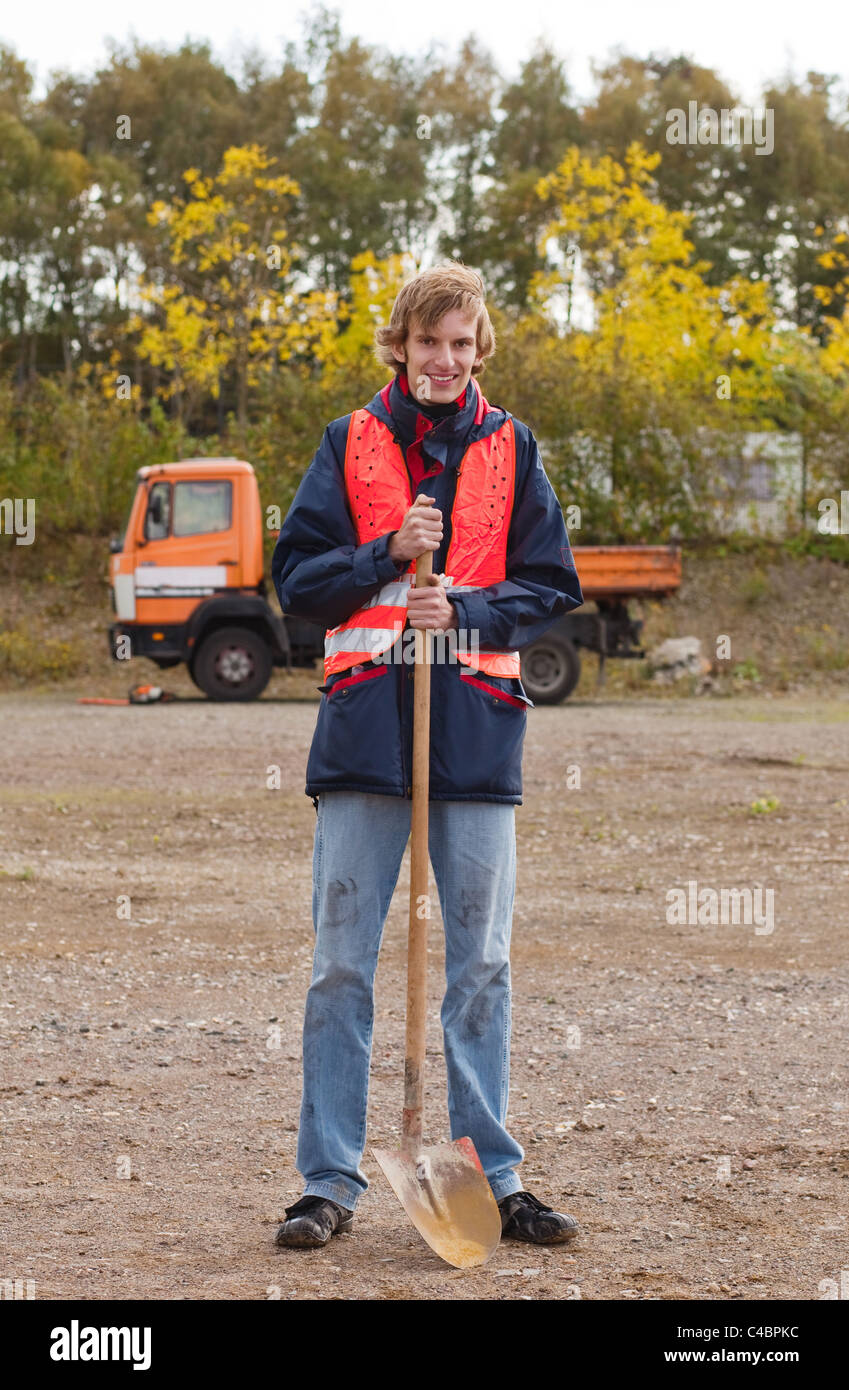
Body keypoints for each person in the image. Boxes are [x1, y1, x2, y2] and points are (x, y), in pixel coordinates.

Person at [271, 261, 584, 1250]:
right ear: (399, 345)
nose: (443, 359)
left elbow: (553, 583)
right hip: (365, 737)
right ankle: (328, 1182)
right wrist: (383, 556)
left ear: (478, 347)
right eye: (427, 341)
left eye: (461, 342)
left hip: (479, 738)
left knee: (482, 966)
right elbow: (298, 584)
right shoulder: (347, 443)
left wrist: (471, 606)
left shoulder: (515, 448)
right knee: (339, 968)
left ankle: (493, 1176)